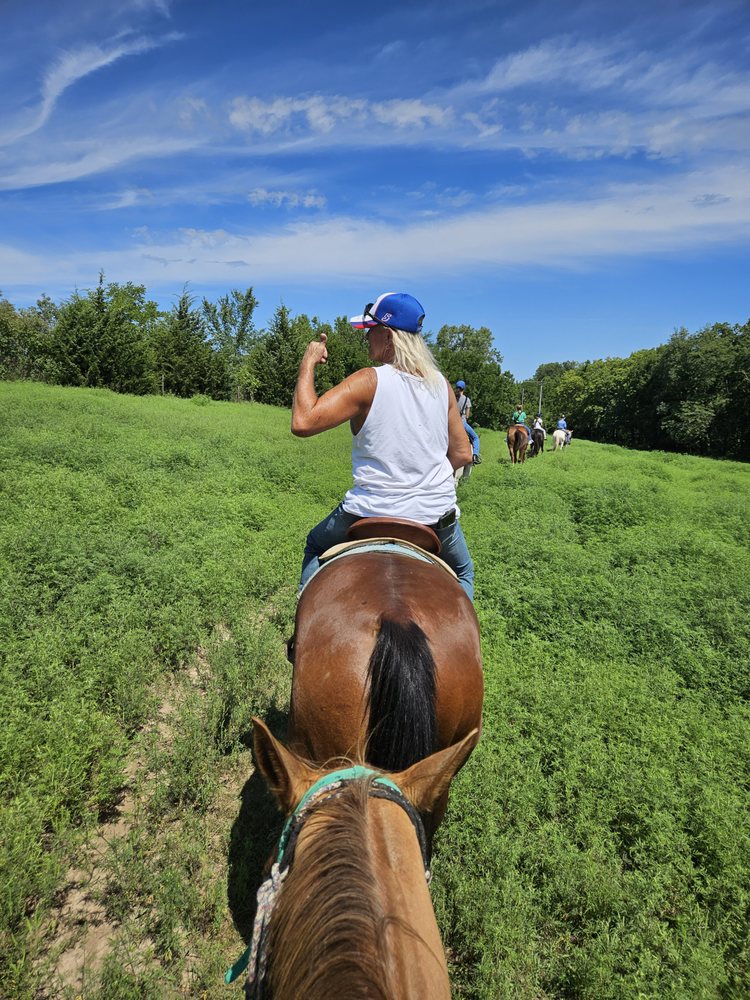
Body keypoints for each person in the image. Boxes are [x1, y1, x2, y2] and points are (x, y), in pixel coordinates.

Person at [291, 292, 475, 600]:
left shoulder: (369, 380)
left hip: (368, 513)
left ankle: (300, 632)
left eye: (370, 330)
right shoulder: (441, 385)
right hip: (435, 517)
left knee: (315, 544)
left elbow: (303, 421)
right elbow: (462, 453)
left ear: (388, 335)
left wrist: (308, 363)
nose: (366, 337)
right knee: (464, 573)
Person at [454, 380, 481, 464]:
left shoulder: (452, 397)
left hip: (451, 422)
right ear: (464, 389)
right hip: (461, 423)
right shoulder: (467, 399)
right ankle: (475, 456)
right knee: (476, 438)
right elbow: (467, 415)